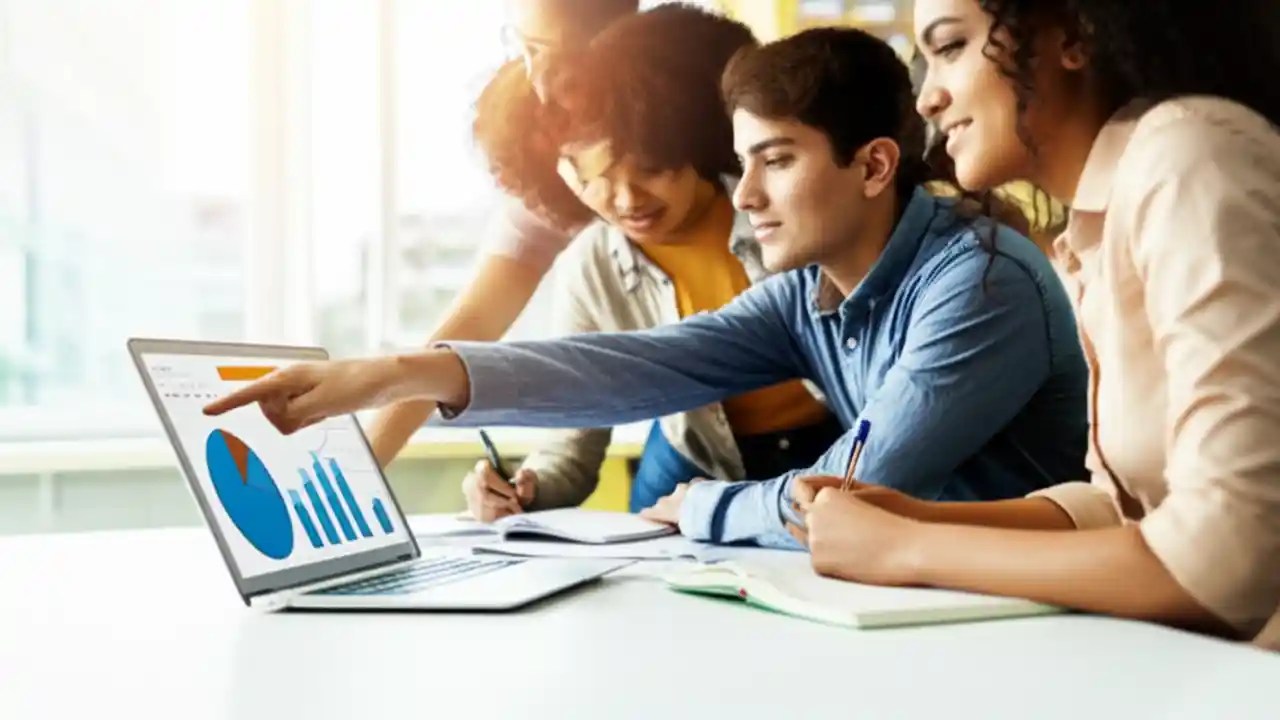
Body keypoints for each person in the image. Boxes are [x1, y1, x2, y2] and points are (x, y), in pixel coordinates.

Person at [206, 28, 1088, 549]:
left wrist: (702, 507)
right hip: (909, 597)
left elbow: (848, 491)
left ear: (874, 166)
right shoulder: (809, 295)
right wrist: (396, 373)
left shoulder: (978, 283)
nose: (746, 196)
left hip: (1022, 621)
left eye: (776, 163)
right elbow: (631, 367)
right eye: (744, 164)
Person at [784, 0, 1280, 649]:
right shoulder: (1098, 220)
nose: (928, 98)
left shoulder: (1188, 157)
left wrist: (908, 547)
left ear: (1074, 33)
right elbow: (1126, 507)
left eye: (952, 47)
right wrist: (918, 515)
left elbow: (1226, 558)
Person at [459, 5, 843, 522]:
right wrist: (523, 489)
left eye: (651, 169)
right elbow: (572, 444)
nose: (625, 199)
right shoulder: (591, 267)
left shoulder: (777, 215)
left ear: (692, 145)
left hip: (832, 447)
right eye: (593, 176)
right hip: (698, 459)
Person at [363, 0, 639, 467]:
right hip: (689, 439)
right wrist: (363, 468)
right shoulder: (547, 164)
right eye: (522, 45)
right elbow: (470, 324)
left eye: (544, 49)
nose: (535, 74)